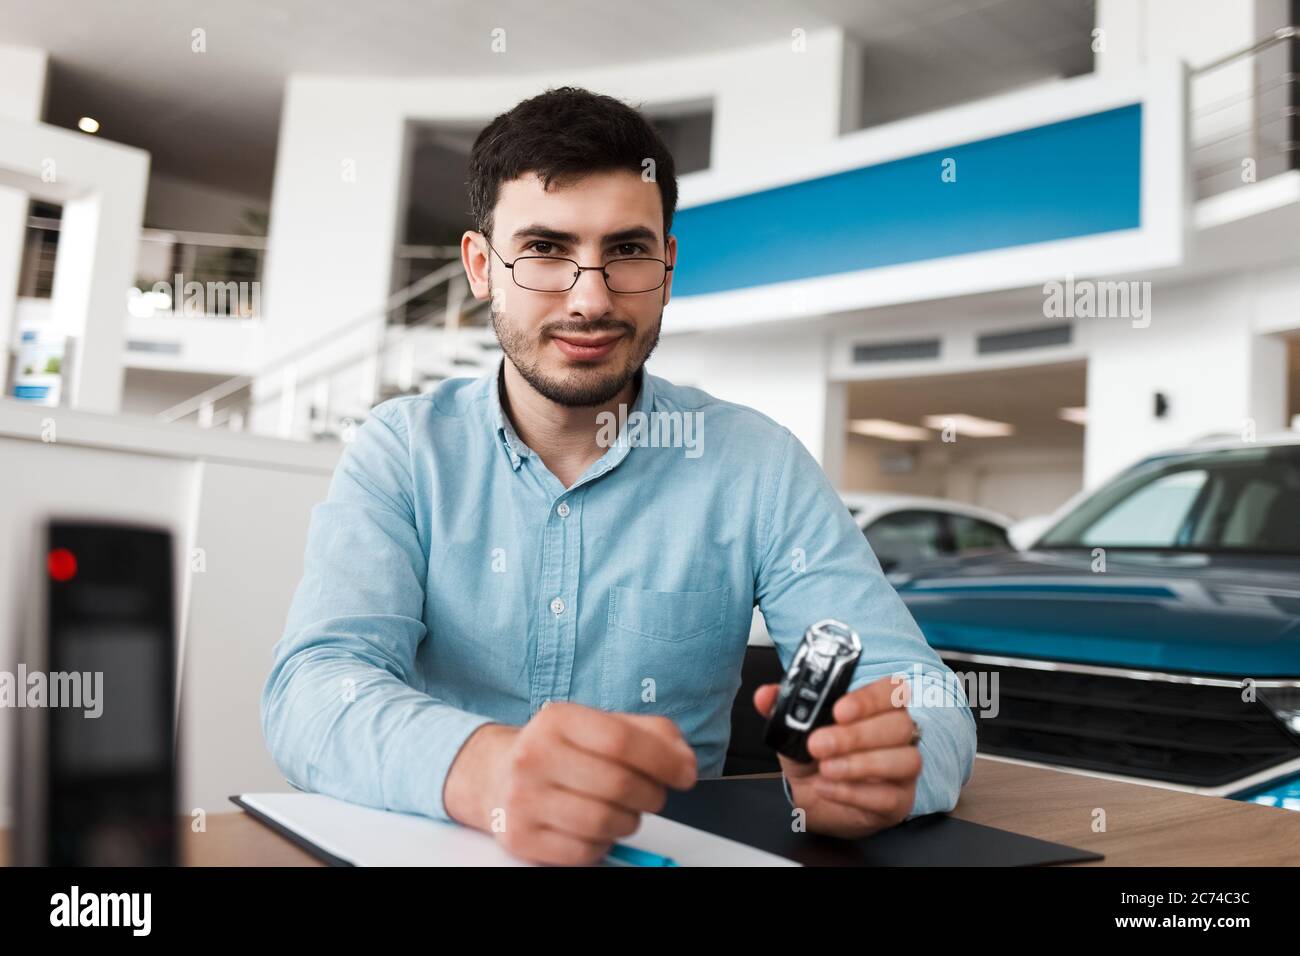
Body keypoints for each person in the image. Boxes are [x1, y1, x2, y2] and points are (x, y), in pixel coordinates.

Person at [261, 86, 976, 866]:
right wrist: (481, 768)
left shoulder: (756, 463)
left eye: (627, 251)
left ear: (667, 265)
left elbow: (923, 689)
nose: (590, 299)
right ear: (480, 267)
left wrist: (891, 762)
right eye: (544, 251)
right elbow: (312, 689)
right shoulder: (402, 450)